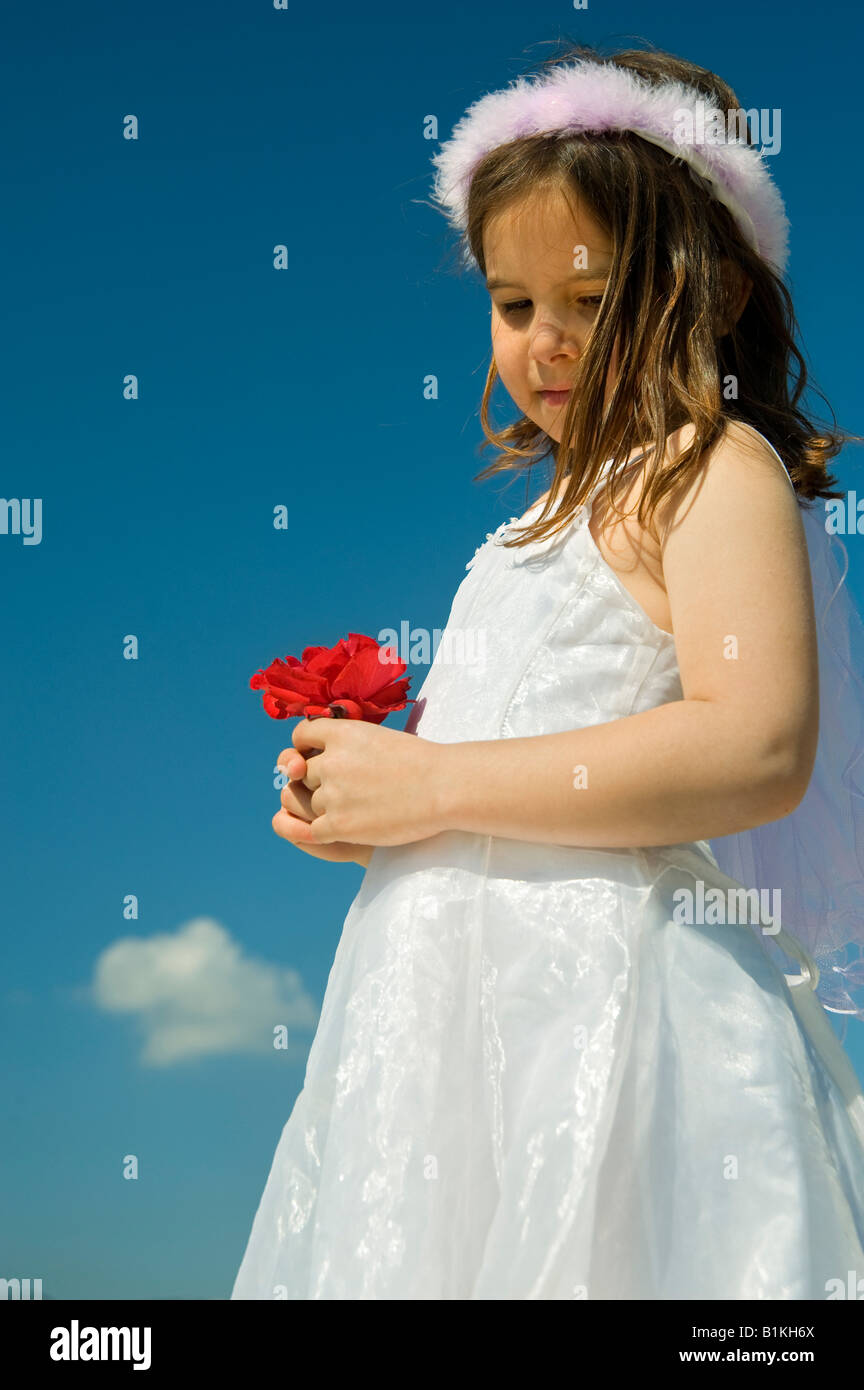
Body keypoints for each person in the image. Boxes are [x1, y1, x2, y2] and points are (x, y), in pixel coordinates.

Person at [231, 43, 864, 1300]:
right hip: (435, 1052)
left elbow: (754, 747)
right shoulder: (523, 535)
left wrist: (435, 784)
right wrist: (381, 812)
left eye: (593, 295)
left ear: (719, 288)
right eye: (515, 305)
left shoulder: (708, 467)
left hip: (618, 1031)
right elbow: (521, 784)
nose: (548, 341)